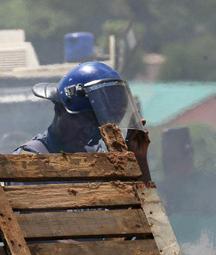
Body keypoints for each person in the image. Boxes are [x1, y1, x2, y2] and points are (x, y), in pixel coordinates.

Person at [13, 62, 151, 180]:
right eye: (85, 119)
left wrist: (137, 158)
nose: (88, 130)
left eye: (97, 123)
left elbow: (141, 201)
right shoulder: (29, 159)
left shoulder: (97, 155)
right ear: (59, 109)